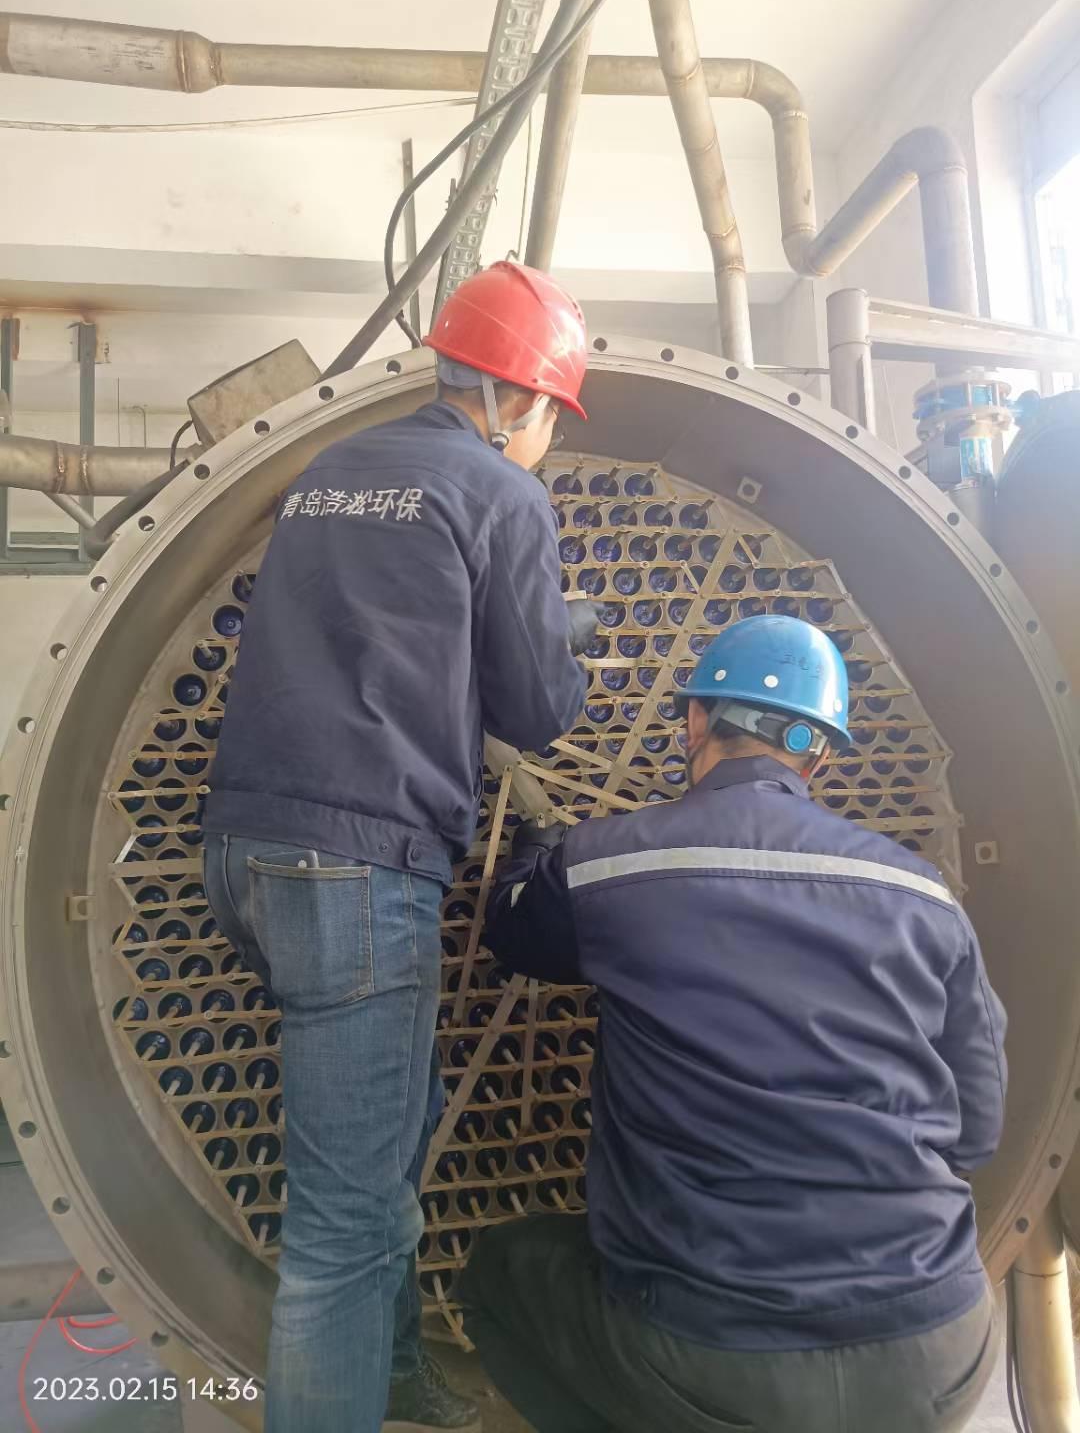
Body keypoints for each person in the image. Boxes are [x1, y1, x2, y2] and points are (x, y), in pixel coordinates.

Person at [202, 261, 598, 1433]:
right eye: (554, 417)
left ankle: (391, 1374)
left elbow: (378, 629)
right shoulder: (501, 493)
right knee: (341, 1225)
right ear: (522, 400)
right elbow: (536, 709)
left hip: (243, 851)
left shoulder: (331, 471)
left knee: (393, 1124)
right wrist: (564, 641)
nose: (546, 440)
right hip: (356, 867)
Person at [465, 613, 1008, 1433]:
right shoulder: (925, 895)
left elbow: (511, 932)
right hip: (943, 1346)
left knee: (502, 1273)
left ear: (694, 721)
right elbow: (977, 1133)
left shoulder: (615, 862)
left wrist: (537, 854)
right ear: (819, 755)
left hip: (715, 1356)